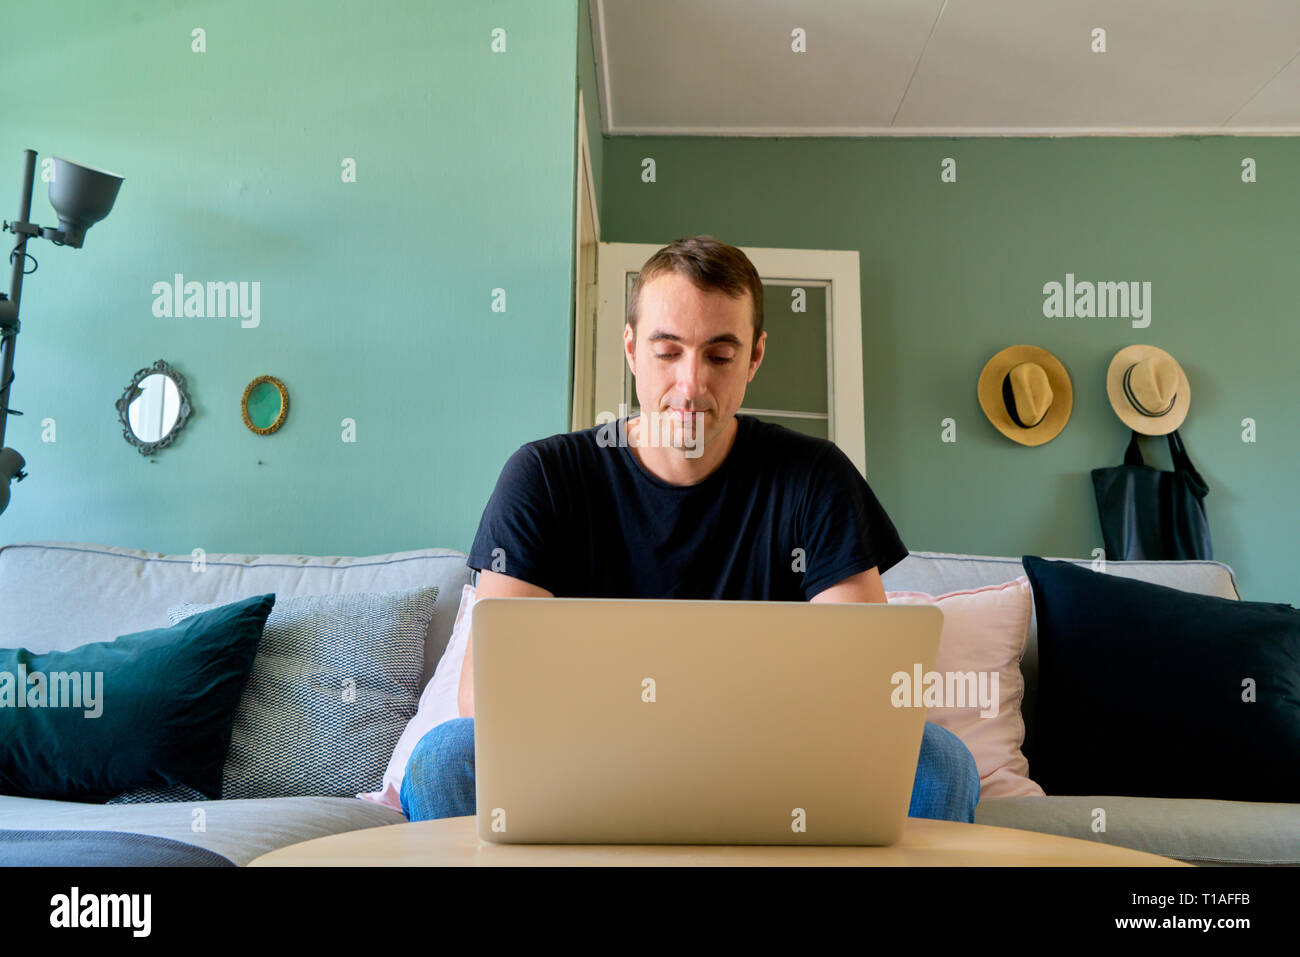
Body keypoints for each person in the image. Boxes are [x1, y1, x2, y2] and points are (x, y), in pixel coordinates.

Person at [401, 235, 979, 824]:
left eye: (720, 356)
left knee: (939, 762)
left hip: (773, 768)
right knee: (446, 757)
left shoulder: (815, 476)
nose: (691, 385)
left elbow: (868, 690)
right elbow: (488, 697)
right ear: (631, 349)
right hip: (586, 764)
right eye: (668, 351)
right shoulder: (544, 476)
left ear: (755, 357)